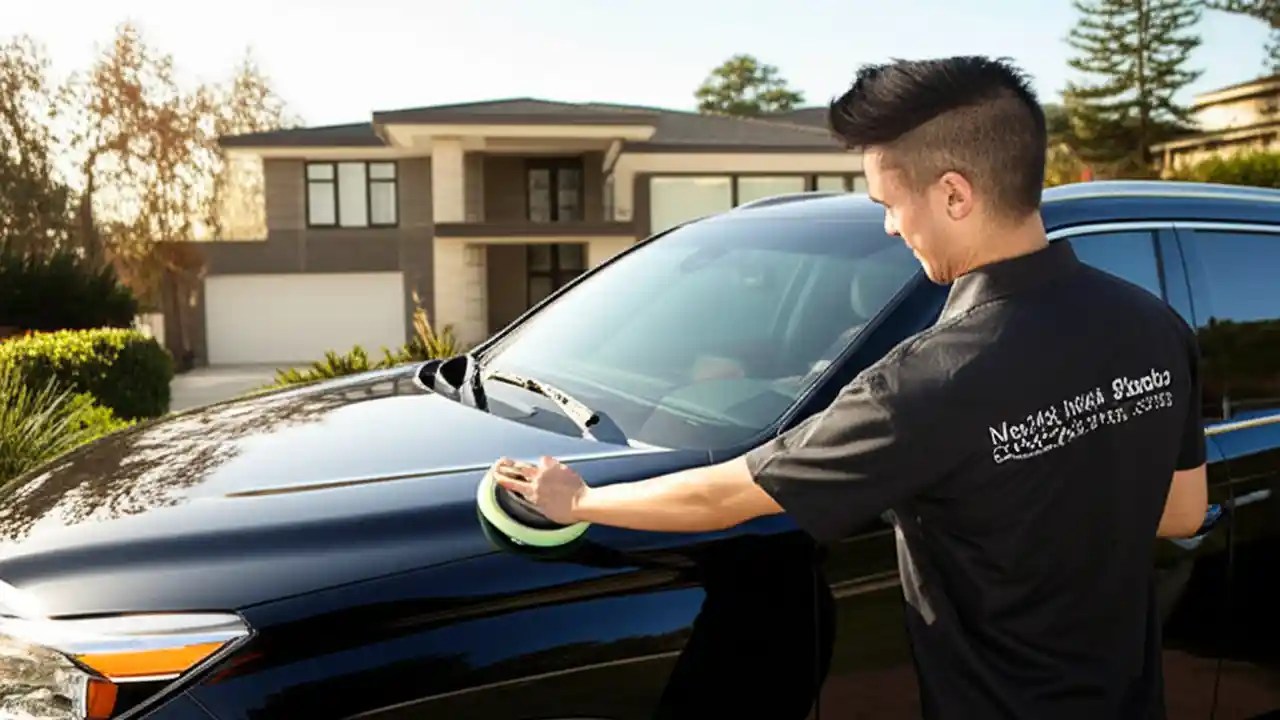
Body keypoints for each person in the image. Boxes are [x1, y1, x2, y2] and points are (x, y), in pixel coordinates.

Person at [490, 55, 1209, 720]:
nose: (891, 228)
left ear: (954, 194)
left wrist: (578, 500)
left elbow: (727, 495)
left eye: (890, 204)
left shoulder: (929, 380)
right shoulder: (1154, 325)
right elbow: (1181, 511)